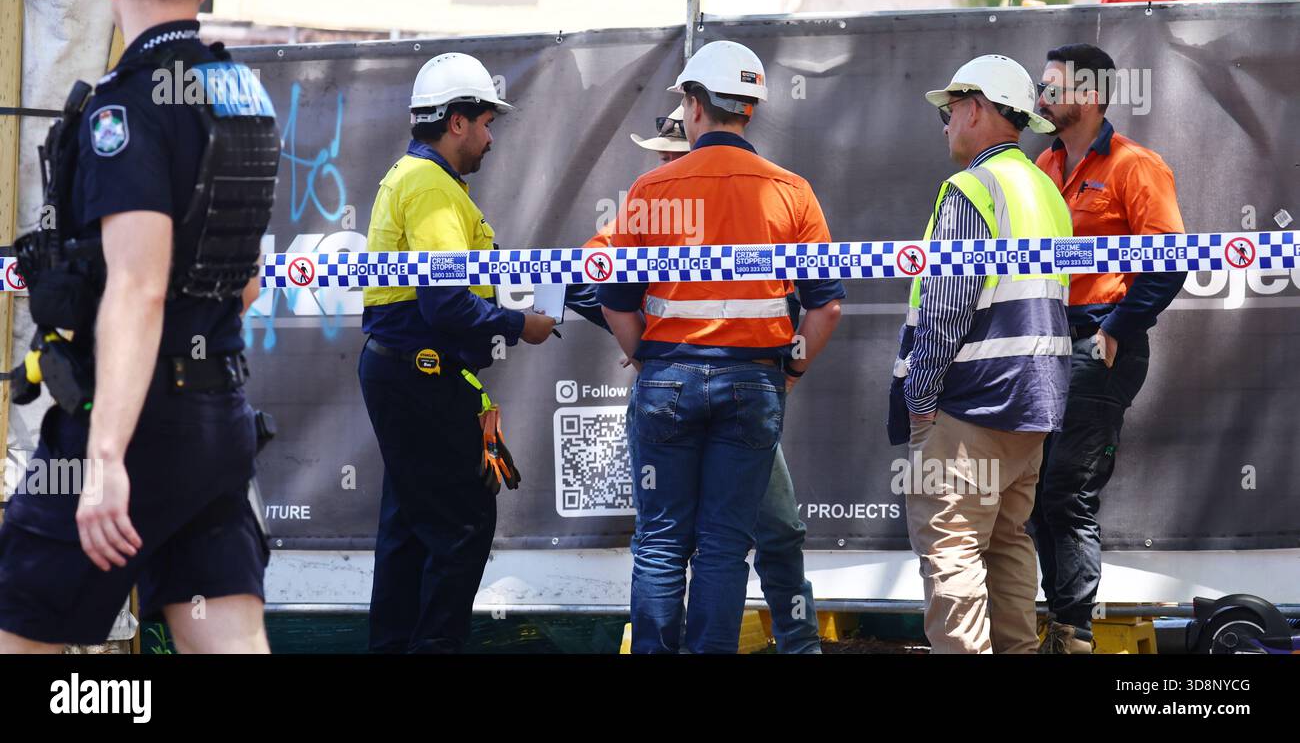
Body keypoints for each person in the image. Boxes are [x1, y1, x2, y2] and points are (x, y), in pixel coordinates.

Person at [0, 0, 279, 653]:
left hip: (132, 424)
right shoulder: (243, 95)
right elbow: (247, 278)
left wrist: (105, 458)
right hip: (219, 418)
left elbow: (139, 285)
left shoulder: (125, 106)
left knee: (20, 632)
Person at [598, 40, 844, 653]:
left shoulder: (651, 190)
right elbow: (826, 304)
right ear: (750, 109)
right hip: (752, 385)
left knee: (659, 544)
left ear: (694, 103)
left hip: (667, 382)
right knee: (724, 546)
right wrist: (790, 370)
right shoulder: (792, 192)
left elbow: (614, 298)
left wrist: (646, 357)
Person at [358, 51, 555, 653]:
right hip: (420, 370)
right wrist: (524, 324)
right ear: (457, 121)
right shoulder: (431, 186)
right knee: (461, 524)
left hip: (410, 368)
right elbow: (446, 303)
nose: (491, 138)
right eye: (487, 122)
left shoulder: (419, 180)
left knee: (410, 529)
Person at [888, 54, 1072, 654]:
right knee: (1008, 543)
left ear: (975, 108)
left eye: (949, 111)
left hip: (969, 406)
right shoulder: (1045, 186)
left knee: (951, 551)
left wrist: (920, 398)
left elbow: (947, 306)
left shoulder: (971, 188)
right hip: (1032, 403)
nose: (945, 124)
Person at [1030, 43, 1185, 654]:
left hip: (1099, 343)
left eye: (1051, 87)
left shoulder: (1135, 165)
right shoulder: (1043, 164)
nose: (1041, 98)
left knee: (1066, 486)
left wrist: (1118, 327)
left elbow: (1169, 259)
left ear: (1089, 97)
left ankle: (1073, 631)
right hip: (1042, 343)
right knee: (1040, 488)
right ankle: (1062, 623)